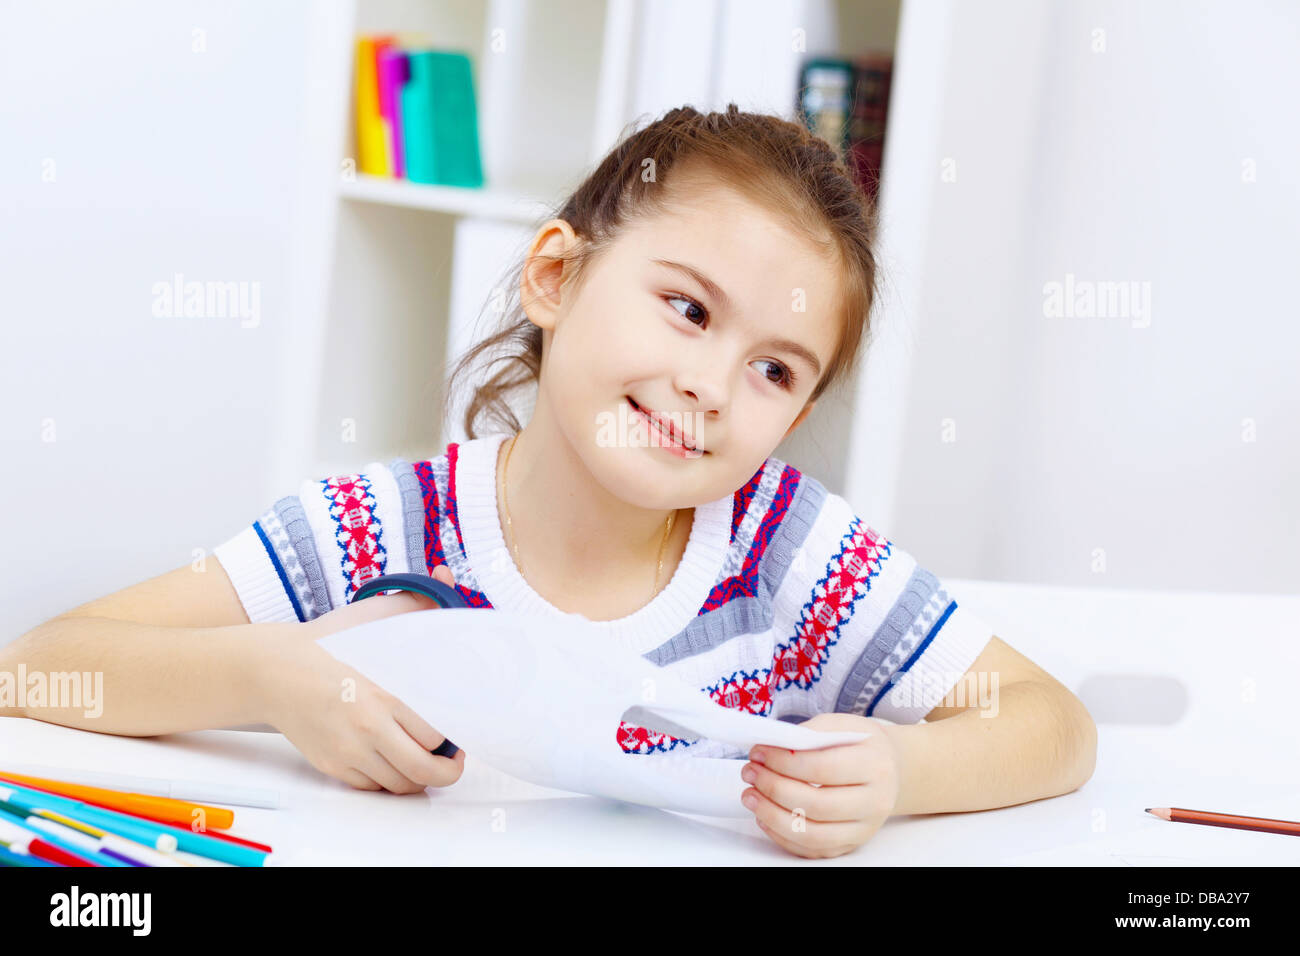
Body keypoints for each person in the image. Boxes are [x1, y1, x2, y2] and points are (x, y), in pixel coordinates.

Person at [3, 105, 1096, 859]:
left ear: (794, 419)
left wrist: (900, 773)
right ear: (555, 277)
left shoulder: (792, 556)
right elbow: (40, 671)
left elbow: (1053, 723)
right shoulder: (377, 525)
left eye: (773, 369)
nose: (711, 384)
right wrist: (273, 678)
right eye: (689, 307)